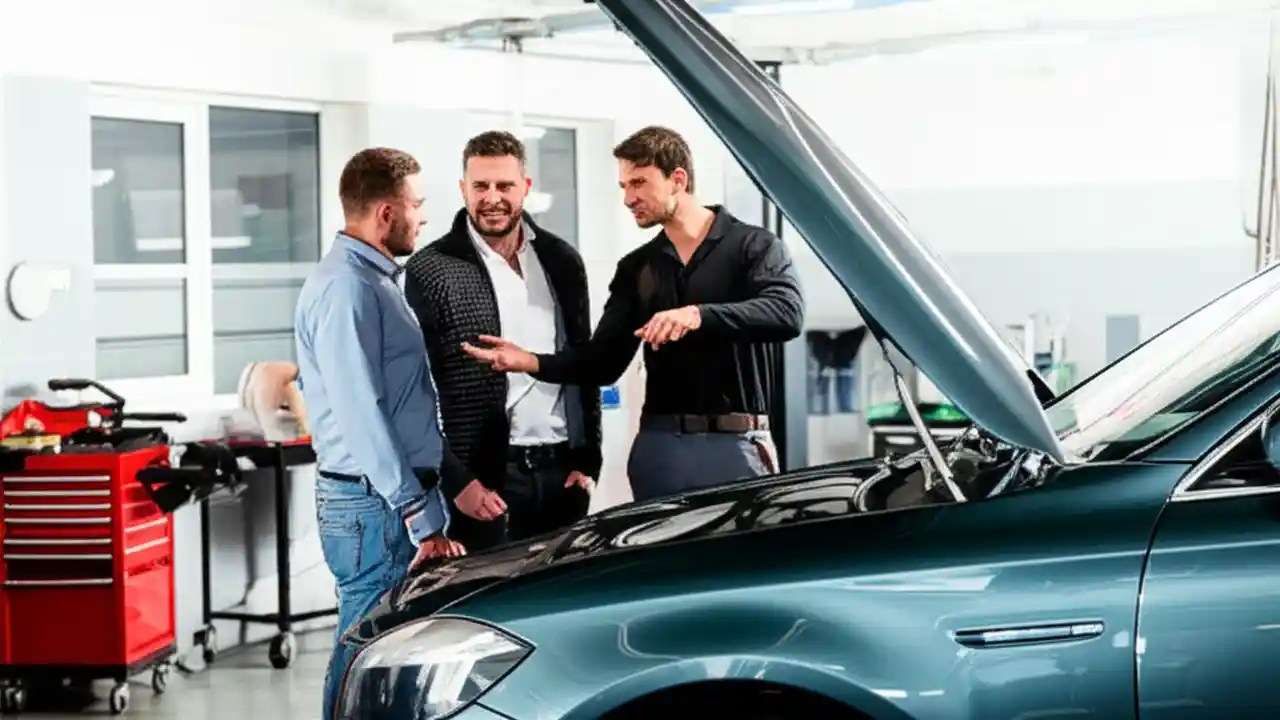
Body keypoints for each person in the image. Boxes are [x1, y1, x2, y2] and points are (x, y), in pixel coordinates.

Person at [463, 125, 804, 502]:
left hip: (736, 447)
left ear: (678, 179)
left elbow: (786, 312)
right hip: (659, 448)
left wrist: (697, 315)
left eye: (638, 183)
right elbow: (602, 364)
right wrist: (528, 360)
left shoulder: (754, 246)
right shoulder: (636, 268)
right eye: (624, 186)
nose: (628, 198)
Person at [293, 147, 465, 720]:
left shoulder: (377, 279)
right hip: (374, 504)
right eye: (417, 205)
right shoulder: (348, 289)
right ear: (386, 213)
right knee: (367, 641)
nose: (423, 217)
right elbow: (361, 414)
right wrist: (418, 515)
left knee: (387, 645)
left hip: (387, 496)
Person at [403, 130, 600, 550]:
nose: (493, 198)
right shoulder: (431, 270)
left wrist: (589, 460)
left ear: (525, 188)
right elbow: (412, 392)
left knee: (559, 606)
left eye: (505, 186)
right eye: (481, 186)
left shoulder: (562, 260)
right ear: (463, 190)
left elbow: (585, 362)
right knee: (487, 606)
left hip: (561, 472)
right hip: (484, 480)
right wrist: (456, 480)